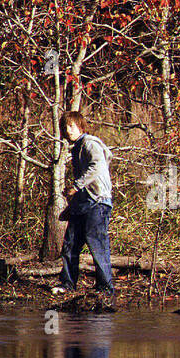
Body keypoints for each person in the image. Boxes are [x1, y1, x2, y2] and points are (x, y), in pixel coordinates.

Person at [55, 111, 115, 297]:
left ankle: (105, 288)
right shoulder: (77, 147)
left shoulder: (89, 143)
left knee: (97, 245)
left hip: (98, 201)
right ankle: (67, 284)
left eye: (71, 126)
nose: (68, 130)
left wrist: (76, 186)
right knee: (70, 244)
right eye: (65, 127)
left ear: (80, 126)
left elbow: (98, 166)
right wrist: (71, 207)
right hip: (83, 203)